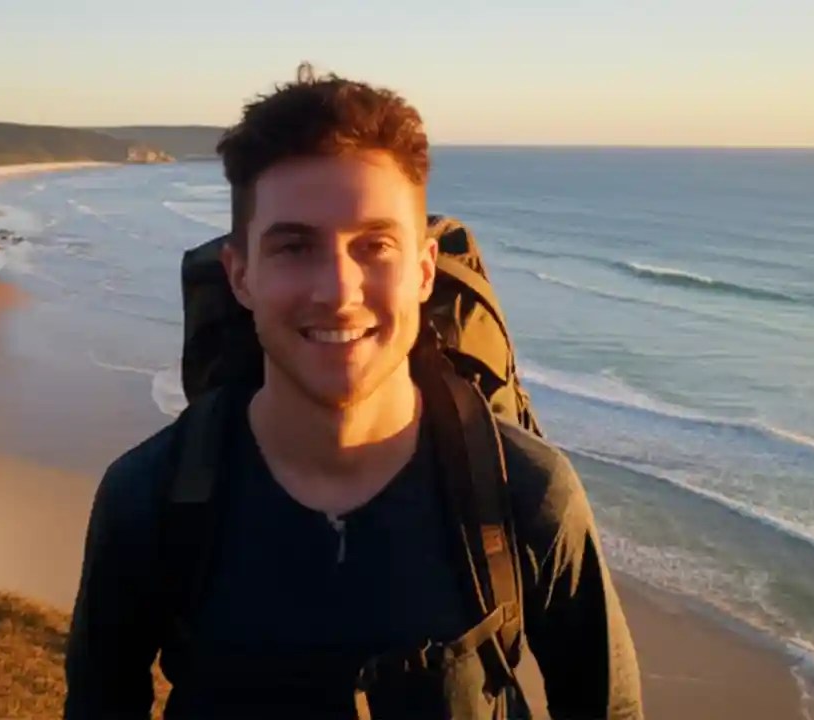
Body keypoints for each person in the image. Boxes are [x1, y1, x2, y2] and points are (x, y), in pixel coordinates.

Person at [63, 64, 643, 720]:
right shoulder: (148, 502)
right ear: (240, 274)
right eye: (293, 248)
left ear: (424, 271)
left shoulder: (525, 495)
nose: (338, 291)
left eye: (374, 246)